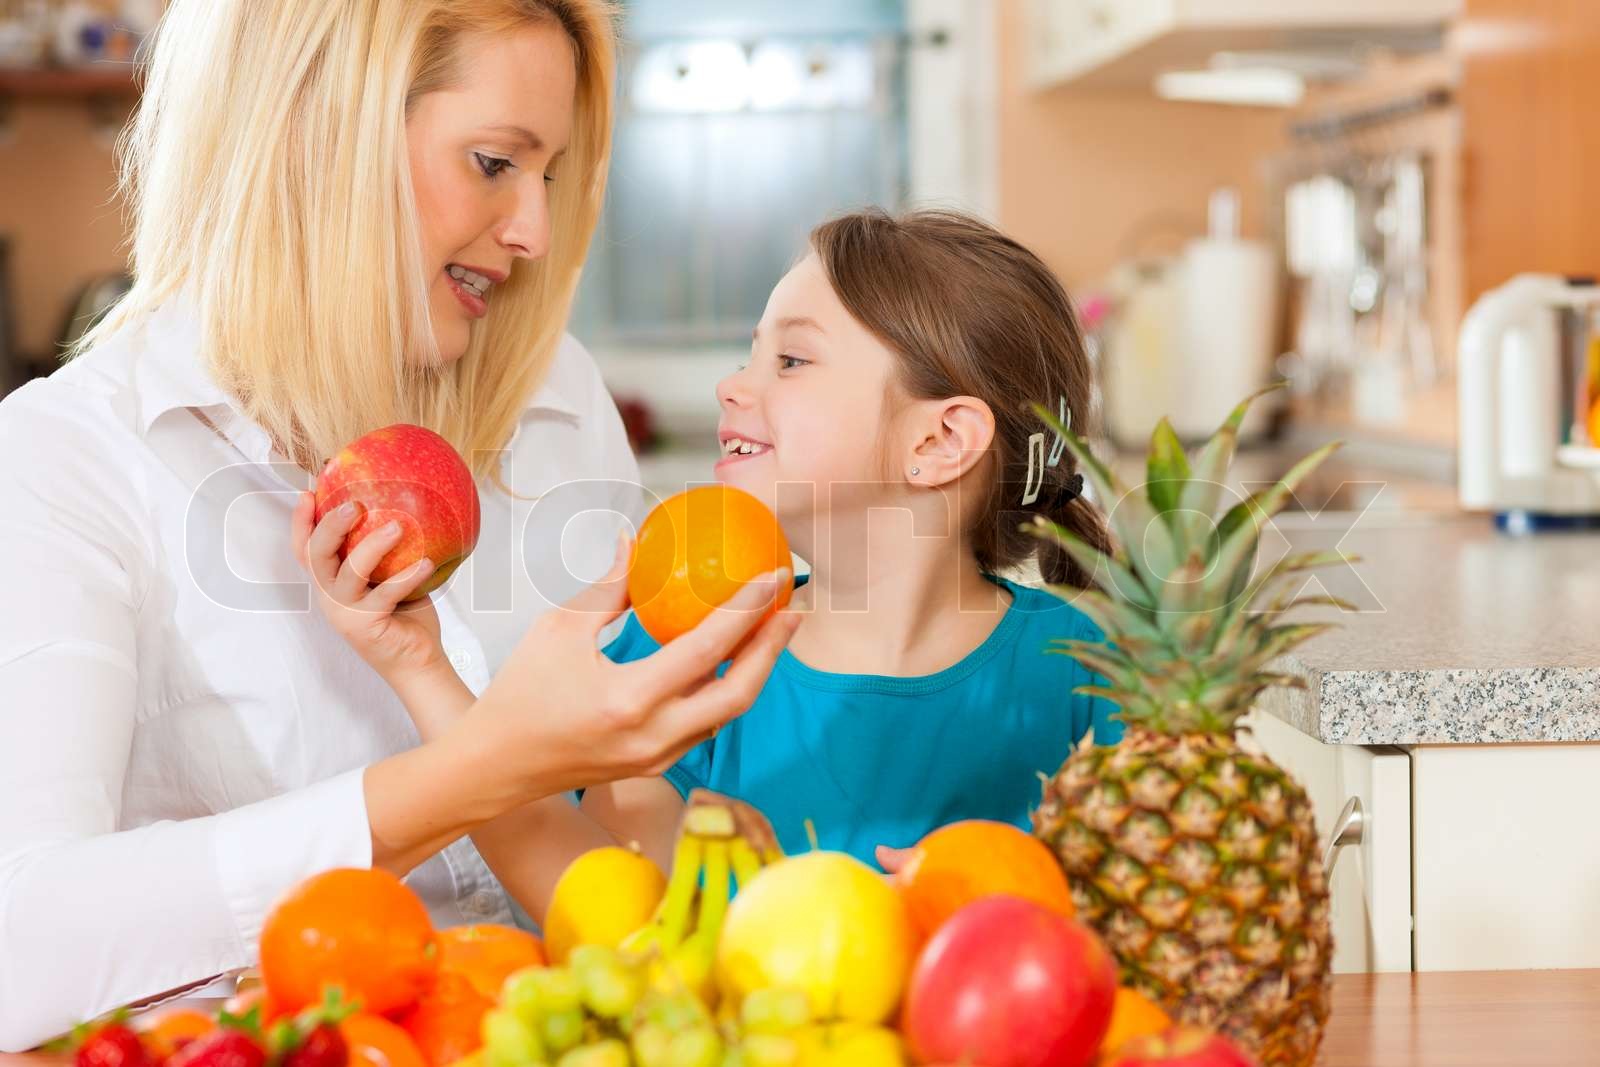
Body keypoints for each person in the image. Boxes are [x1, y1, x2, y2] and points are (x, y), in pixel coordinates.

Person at [0, 0, 798, 1050]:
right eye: (491, 162)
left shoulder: (554, 396)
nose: (534, 232)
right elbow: (22, 944)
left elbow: (627, 842)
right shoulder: (70, 456)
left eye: (548, 175)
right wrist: (471, 771)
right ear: (314, 130)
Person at [310, 208, 1124, 923]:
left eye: (791, 361)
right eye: (750, 354)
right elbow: (605, 915)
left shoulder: (1091, 676)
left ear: (938, 441)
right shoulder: (687, 654)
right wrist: (418, 663)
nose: (733, 385)